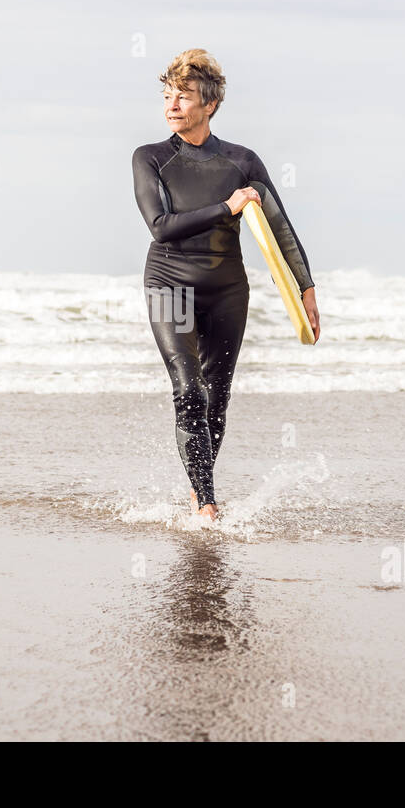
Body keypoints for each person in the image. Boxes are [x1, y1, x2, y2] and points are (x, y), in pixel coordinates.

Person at [132, 48, 320, 520]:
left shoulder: (242, 161)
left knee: (218, 394)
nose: (173, 105)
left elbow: (279, 226)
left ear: (209, 104)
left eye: (184, 96)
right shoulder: (150, 158)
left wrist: (306, 288)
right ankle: (208, 503)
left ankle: (199, 489)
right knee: (188, 388)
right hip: (169, 283)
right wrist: (228, 207)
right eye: (168, 96)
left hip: (227, 289)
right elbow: (161, 225)